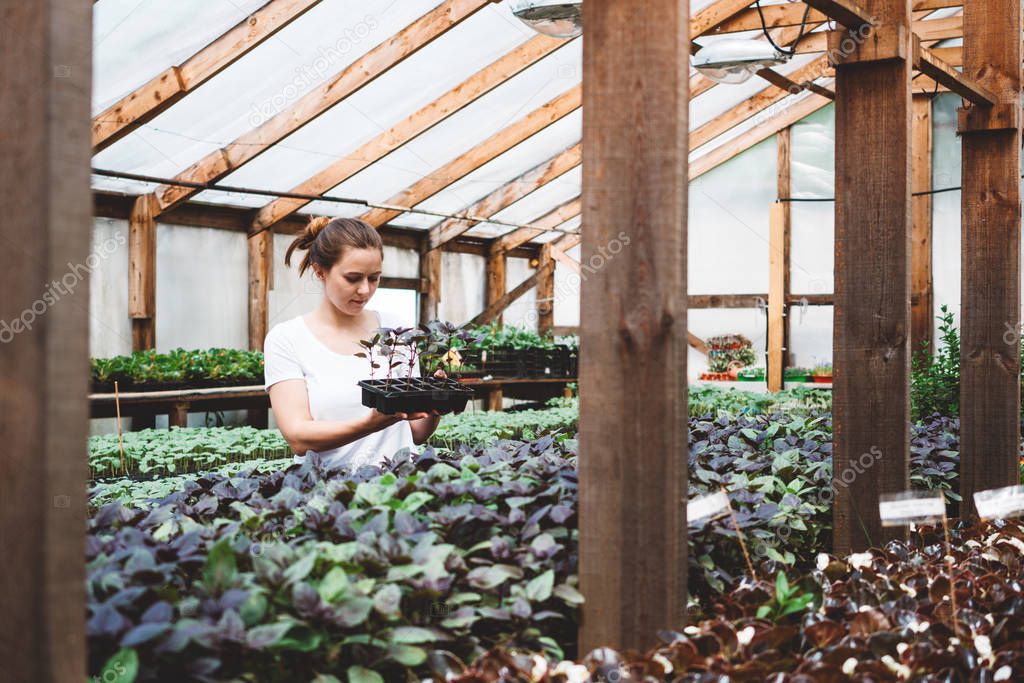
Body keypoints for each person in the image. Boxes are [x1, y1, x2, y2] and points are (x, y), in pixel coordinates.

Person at [263, 216, 443, 469]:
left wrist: (435, 404)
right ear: (319, 271)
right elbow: (297, 436)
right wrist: (368, 424)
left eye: (374, 278)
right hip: (328, 486)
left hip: (400, 482)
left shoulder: (397, 330)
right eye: (353, 278)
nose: (365, 290)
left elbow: (415, 432)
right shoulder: (287, 339)